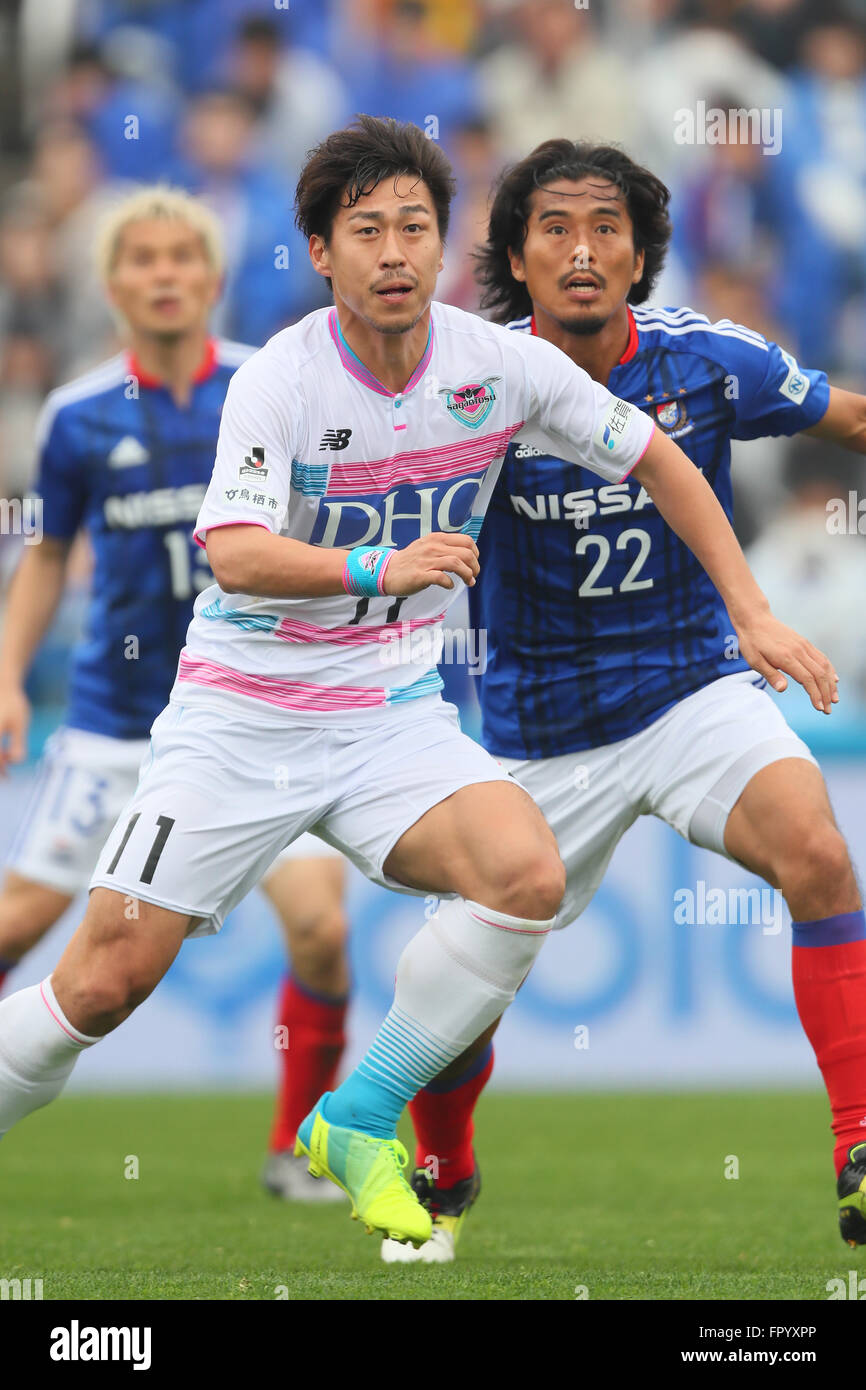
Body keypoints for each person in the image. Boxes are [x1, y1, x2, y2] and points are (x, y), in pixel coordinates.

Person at [0, 118, 835, 1252]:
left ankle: (354, 1113)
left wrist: (749, 611)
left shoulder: (493, 366)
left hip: (392, 713)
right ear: (317, 253)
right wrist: (374, 567)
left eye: (414, 229)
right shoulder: (281, 382)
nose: (393, 253)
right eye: (365, 232)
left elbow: (654, 454)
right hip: (241, 718)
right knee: (99, 985)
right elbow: (235, 551)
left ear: (441, 248)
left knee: (519, 871)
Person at [383, 138, 866, 1262]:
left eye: (605, 226)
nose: (581, 249)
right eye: (552, 227)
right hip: (537, 739)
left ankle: (857, 1139)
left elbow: (845, 416)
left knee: (817, 851)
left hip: (692, 691)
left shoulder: (706, 361)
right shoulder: (468, 382)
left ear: (642, 251)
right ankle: (442, 1160)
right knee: (455, 1002)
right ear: (513, 254)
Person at [0, 184, 347, 1203]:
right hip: (117, 721)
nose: (162, 274)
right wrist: (9, 675)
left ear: (211, 276)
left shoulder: (271, 390)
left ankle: (294, 1150)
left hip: (257, 715)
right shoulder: (75, 415)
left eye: (180, 257)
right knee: (21, 925)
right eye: (141, 259)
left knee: (322, 928)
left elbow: (318, 536)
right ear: (112, 285)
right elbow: (49, 555)